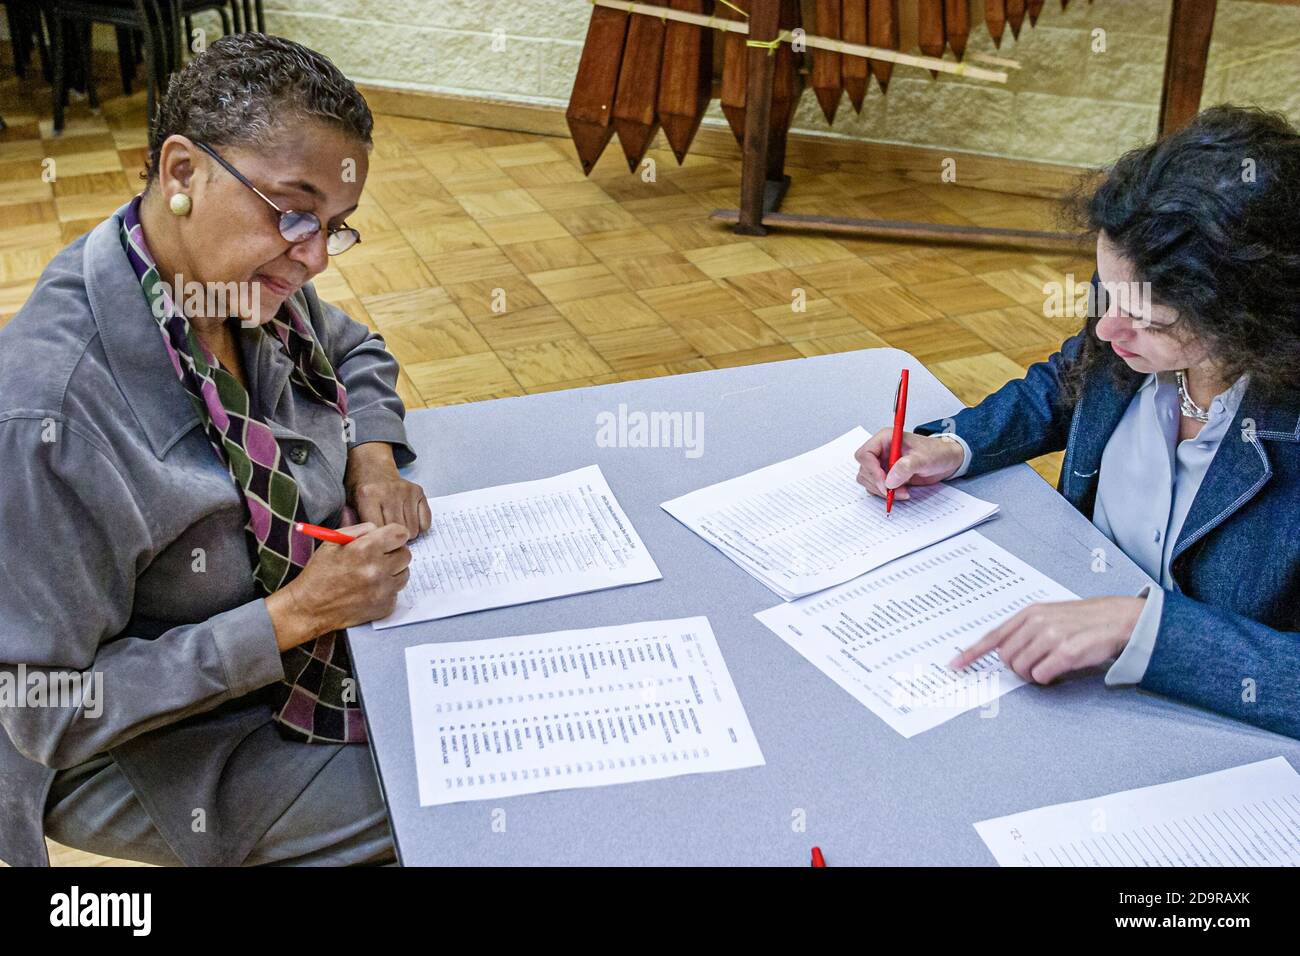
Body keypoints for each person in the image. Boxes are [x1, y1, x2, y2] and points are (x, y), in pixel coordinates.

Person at [0, 34, 430, 866]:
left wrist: (371, 454)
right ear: (183, 172)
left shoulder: (225, 281)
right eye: (293, 211)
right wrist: (297, 613)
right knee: (445, 801)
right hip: (148, 741)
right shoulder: (54, 415)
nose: (310, 258)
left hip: (274, 656)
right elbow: (41, 705)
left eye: (334, 230)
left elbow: (356, 350)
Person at [855, 105, 1300, 740]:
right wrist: (952, 444)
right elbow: (1065, 385)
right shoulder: (1132, 321)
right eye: (1108, 294)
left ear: (1256, 321)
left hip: (1203, 734)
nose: (1106, 329)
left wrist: (1141, 628)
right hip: (1067, 687)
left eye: (1151, 319)